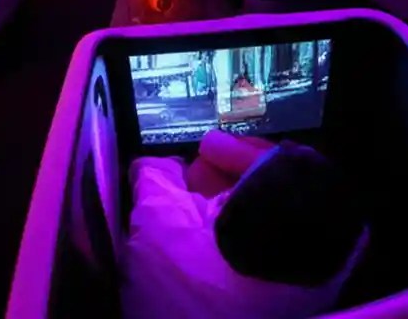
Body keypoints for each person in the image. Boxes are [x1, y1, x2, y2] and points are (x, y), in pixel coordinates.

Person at [122, 131, 368, 319]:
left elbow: (151, 165)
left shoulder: (162, 225)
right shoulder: (347, 242)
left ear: (225, 201)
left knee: (200, 168)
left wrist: (234, 150)